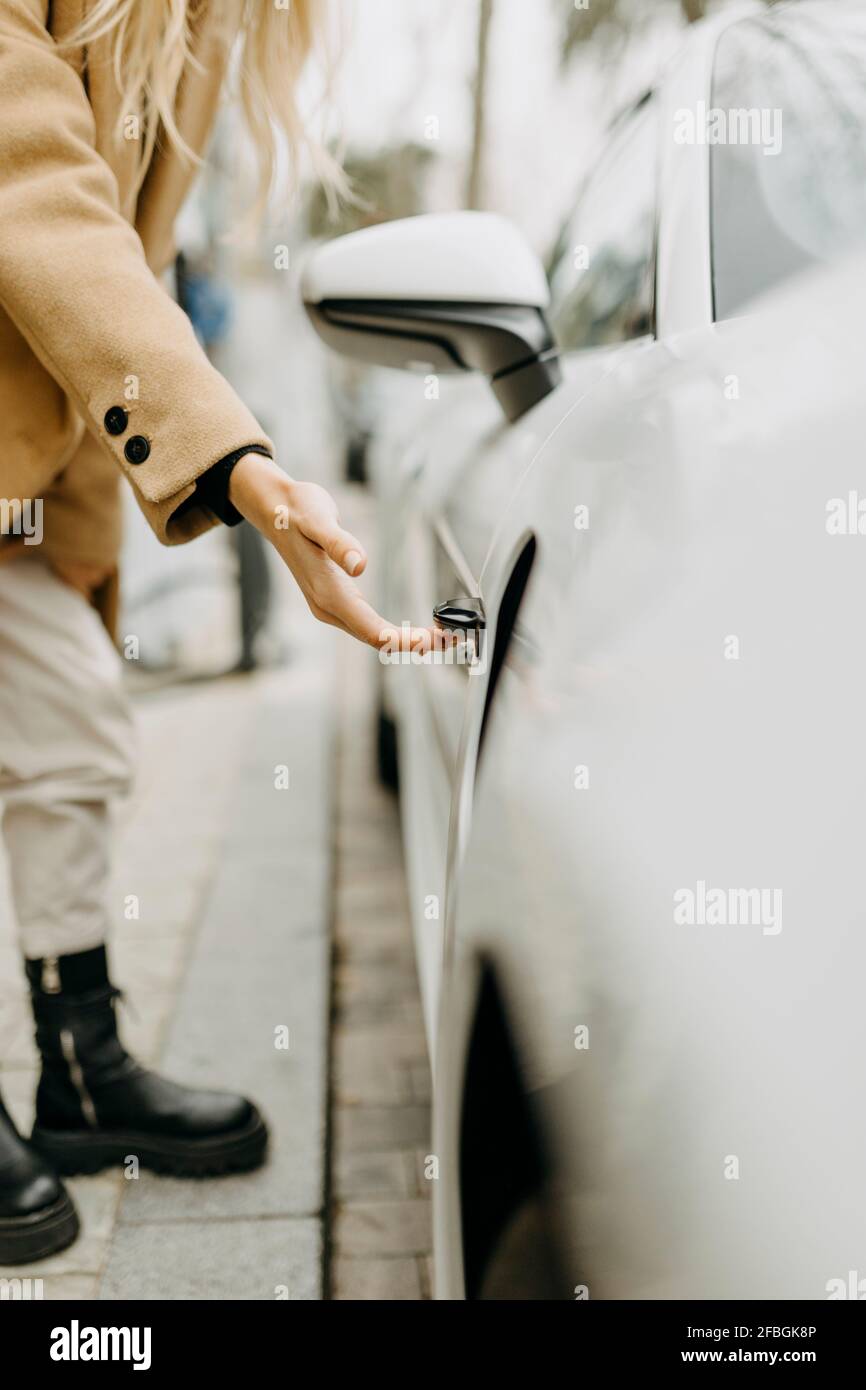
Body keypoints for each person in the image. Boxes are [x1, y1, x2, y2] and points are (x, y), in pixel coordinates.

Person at [0, 0, 428, 1264]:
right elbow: (35, 193)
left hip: (24, 476)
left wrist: (81, 535)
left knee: (72, 727)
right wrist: (240, 466)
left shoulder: (195, 22)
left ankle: (80, 1071)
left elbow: (116, 276)